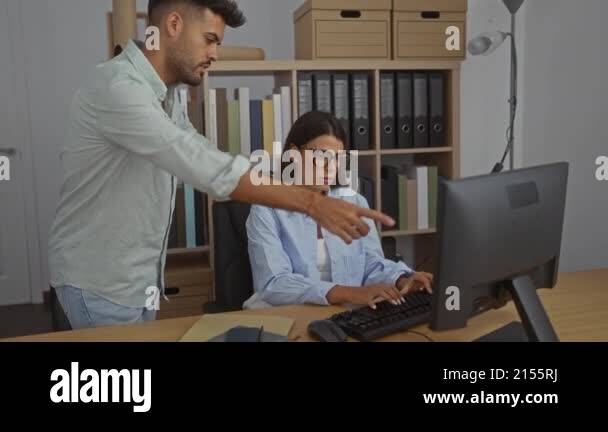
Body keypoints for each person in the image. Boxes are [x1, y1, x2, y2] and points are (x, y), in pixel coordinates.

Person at [48, 0, 394, 330]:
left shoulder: (168, 95)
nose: (214, 53)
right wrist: (313, 203)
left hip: (138, 281)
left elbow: (201, 149)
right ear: (173, 25)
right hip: (99, 283)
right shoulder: (119, 88)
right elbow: (199, 163)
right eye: (209, 39)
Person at [244, 112, 433, 310]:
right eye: (321, 157)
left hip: (344, 312)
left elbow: (370, 263)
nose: (331, 167)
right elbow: (274, 283)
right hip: (287, 314)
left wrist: (402, 279)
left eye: (337, 158)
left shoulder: (354, 201)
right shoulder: (266, 208)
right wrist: (352, 293)